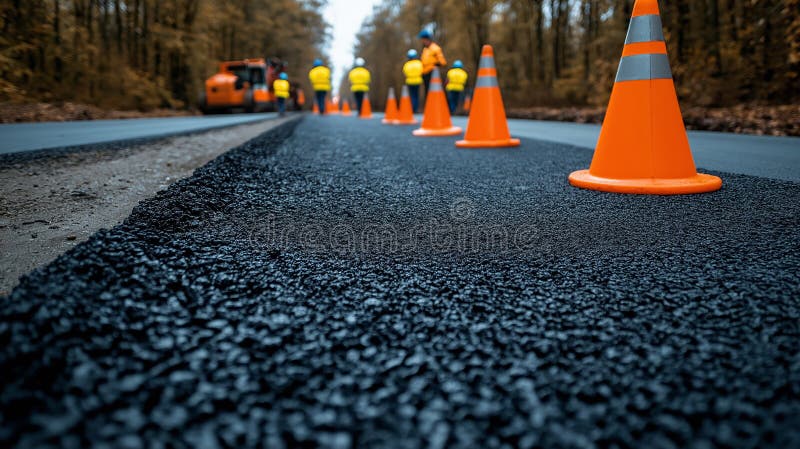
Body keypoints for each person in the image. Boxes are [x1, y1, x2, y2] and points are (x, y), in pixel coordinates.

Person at [419, 29, 446, 95]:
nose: (422, 41)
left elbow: (442, 62)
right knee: (427, 94)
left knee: (434, 94)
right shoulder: (425, 49)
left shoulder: (435, 48)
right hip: (425, 74)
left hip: (432, 74)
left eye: (423, 39)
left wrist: (434, 66)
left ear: (427, 39)